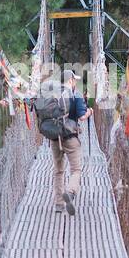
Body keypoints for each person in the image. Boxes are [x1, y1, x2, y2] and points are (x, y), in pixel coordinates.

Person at [32, 69, 91, 215]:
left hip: (54, 137)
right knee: (76, 169)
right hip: (70, 138)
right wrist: (90, 112)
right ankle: (70, 193)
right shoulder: (75, 94)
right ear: (70, 80)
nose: (75, 82)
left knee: (58, 171)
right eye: (74, 80)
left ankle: (58, 204)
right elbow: (82, 117)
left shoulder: (50, 94)